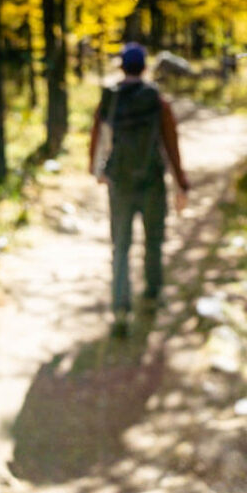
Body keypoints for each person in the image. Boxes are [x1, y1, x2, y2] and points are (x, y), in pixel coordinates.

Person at [89, 42, 189, 337]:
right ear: (144, 67)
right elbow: (170, 143)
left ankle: (120, 309)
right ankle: (153, 296)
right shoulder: (156, 100)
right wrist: (180, 185)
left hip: (120, 184)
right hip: (152, 182)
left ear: (122, 67)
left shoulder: (109, 98)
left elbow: (98, 136)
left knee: (120, 245)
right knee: (153, 240)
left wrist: (98, 172)